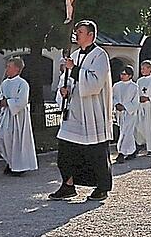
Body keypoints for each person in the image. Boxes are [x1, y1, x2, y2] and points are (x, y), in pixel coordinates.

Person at [50, 20, 114, 201]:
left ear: (90, 35)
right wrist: (64, 91)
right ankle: (68, 185)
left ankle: (102, 187)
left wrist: (75, 69)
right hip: (74, 112)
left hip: (93, 112)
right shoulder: (75, 55)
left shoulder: (100, 56)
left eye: (80, 32)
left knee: (96, 153)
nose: (76, 35)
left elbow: (95, 83)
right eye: (76, 31)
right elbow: (67, 80)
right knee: (65, 151)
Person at [0, 55, 38, 175]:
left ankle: (17, 166)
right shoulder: (4, 83)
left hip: (18, 117)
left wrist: (8, 103)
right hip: (7, 116)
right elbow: (1, 96)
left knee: (16, 141)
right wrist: (1, 103)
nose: (7, 69)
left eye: (9, 67)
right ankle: (10, 162)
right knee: (2, 139)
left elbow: (22, 101)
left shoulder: (22, 84)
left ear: (17, 69)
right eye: (7, 66)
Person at [134, 60, 151, 157]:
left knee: (150, 127)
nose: (142, 70)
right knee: (139, 126)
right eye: (141, 68)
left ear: (150, 69)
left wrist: (149, 98)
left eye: (144, 68)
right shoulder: (139, 81)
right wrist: (138, 99)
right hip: (141, 106)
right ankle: (140, 144)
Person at [112, 66, 140, 162]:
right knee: (124, 131)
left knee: (126, 132)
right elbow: (112, 97)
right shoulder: (116, 86)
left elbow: (136, 102)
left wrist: (125, 106)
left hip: (129, 113)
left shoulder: (134, 87)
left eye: (125, 74)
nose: (122, 76)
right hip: (119, 113)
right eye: (121, 74)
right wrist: (116, 104)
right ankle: (132, 151)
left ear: (130, 76)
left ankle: (121, 153)